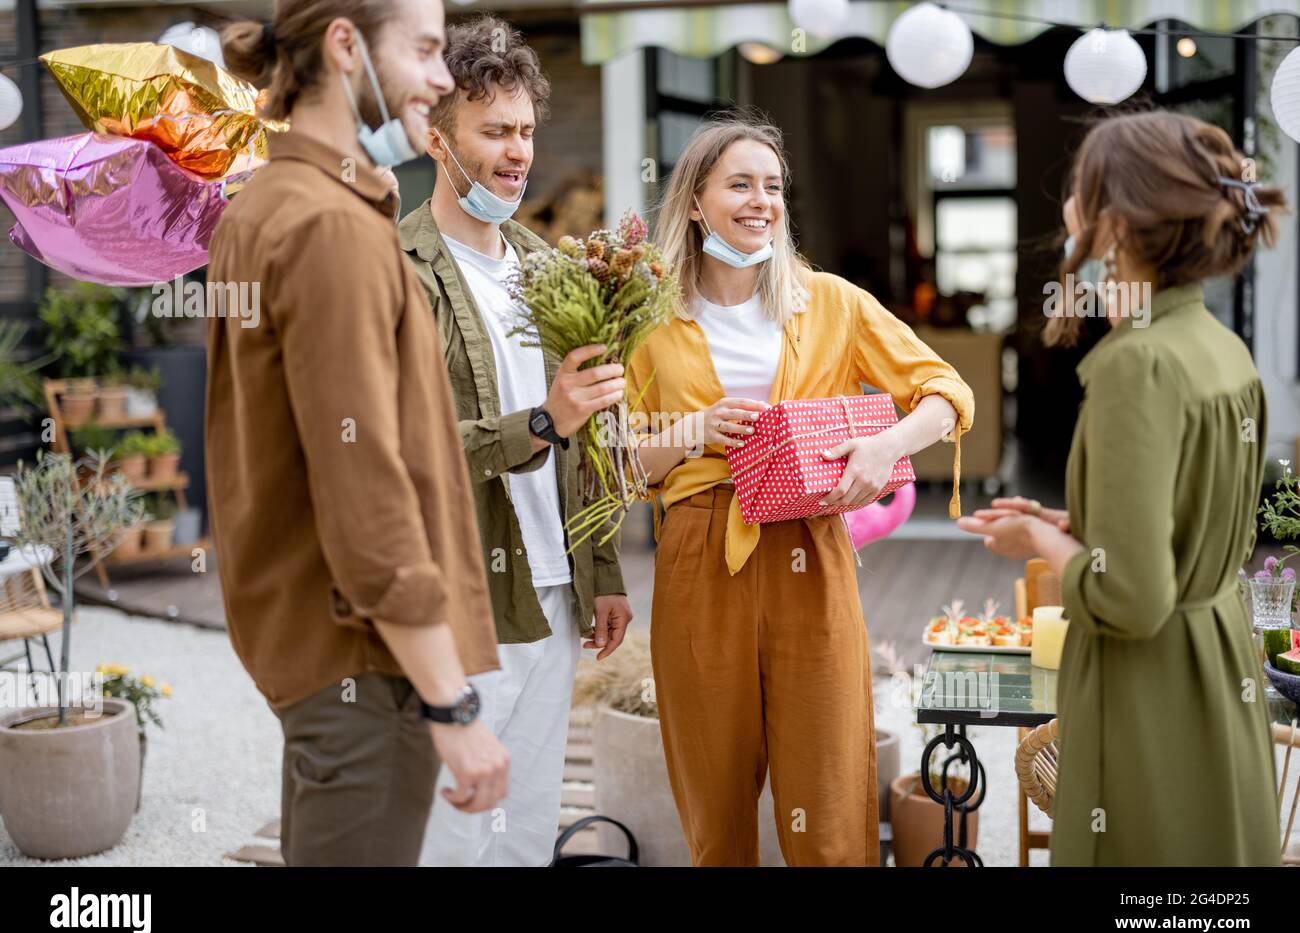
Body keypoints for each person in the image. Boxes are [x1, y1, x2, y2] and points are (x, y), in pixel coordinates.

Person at [625, 112, 974, 865]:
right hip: (698, 555)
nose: (762, 201)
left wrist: (886, 444)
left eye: (774, 186)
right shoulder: (648, 319)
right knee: (716, 814)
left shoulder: (831, 303)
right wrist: (693, 431)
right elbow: (614, 462)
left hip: (810, 553)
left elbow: (945, 392)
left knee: (830, 803)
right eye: (740, 184)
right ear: (693, 201)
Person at [209, 0, 508, 866]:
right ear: (345, 46)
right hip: (366, 666)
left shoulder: (274, 202)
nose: (443, 78)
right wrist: (451, 705)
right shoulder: (331, 227)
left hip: (327, 659)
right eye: (423, 50)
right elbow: (363, 485)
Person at [958, 110, 1286, 866]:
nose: (1067, 212)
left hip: (1150, 687)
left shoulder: (1134, 363)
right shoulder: (1220, 347)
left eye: (1079, 194)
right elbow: (1188, 518)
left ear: (1116, 222)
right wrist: (1082, 522)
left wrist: (1040, 541)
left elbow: (1133, 596)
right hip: (1213, 663)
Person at [401, 15, 632, 867]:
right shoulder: (402, 271)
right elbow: (408, 445)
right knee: (452, 830)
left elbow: (592, 432)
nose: (517, 150)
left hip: (553, 591)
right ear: (437, 137)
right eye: (493, 130)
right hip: (464, 601)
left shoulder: (551, 268)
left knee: (527, 828)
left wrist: (602, 572)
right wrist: (541, 421)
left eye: (526, 130)